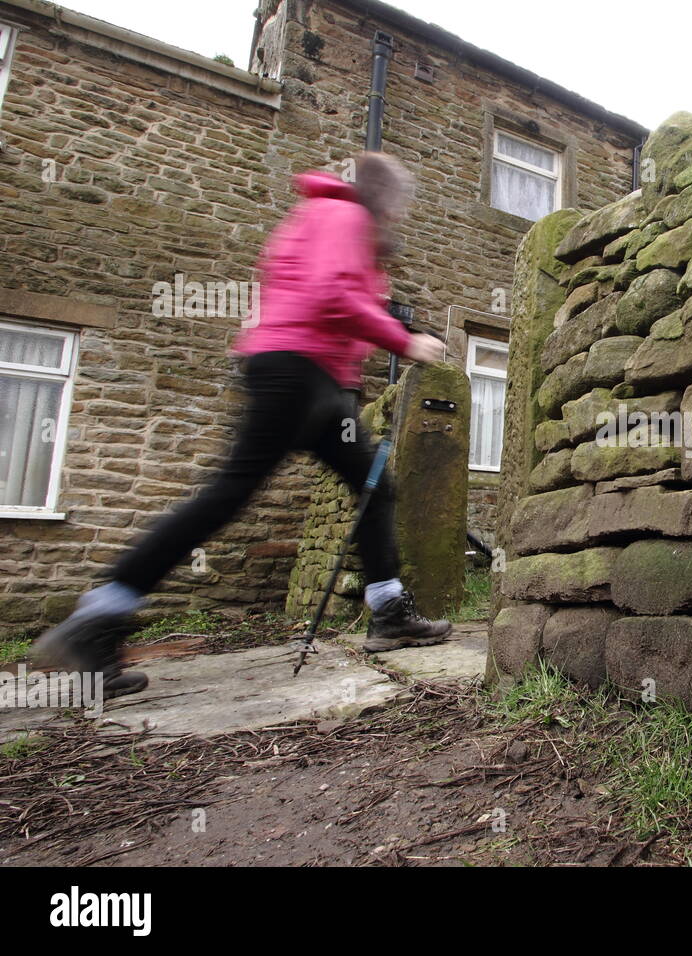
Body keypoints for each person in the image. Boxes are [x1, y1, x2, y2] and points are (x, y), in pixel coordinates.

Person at [34, 152, 449, 700]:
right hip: (295, 372)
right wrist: (405, 341)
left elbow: (337, 294)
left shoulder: (335, 222)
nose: (398, 214)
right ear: (377, 194)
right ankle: (100, 614)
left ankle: (388, 609)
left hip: (318, 383)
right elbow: (330, 292)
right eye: (396, 202)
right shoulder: (343, 215)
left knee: (374, 484)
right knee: (230, 493)